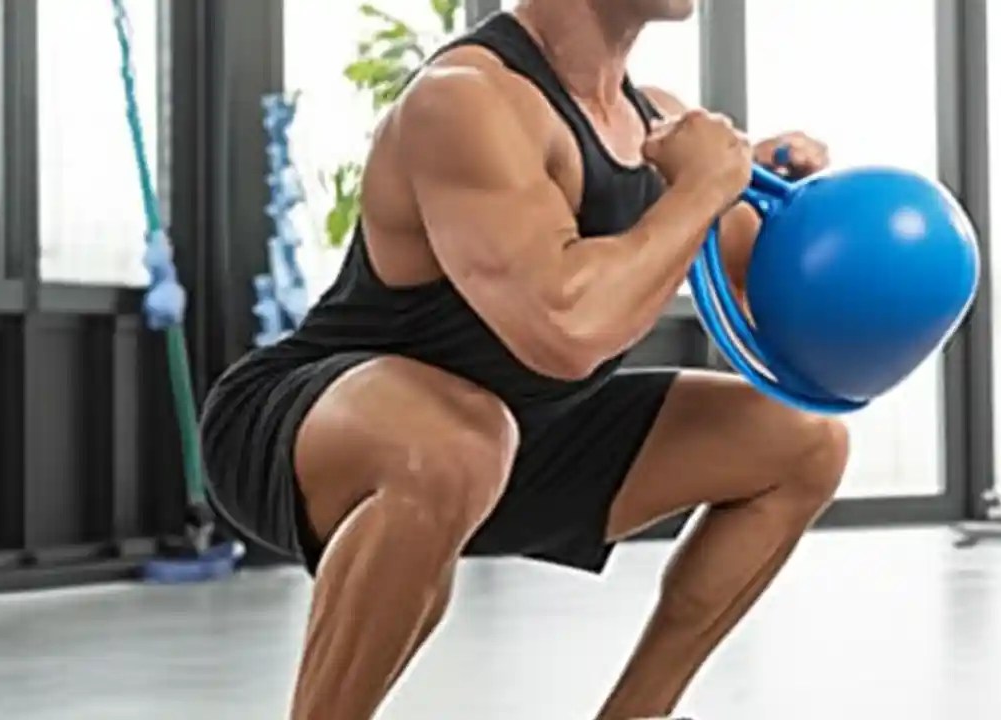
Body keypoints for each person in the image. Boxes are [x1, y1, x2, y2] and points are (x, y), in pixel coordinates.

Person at [200, 0, 849, 717]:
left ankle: (639, 714)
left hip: (519, 435)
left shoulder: (658, 126)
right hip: (305, 427)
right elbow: (565, 330)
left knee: (802, 441)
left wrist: (796, 213)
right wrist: (699, 189)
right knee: (458, 442)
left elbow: (749, 283)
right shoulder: (466, 101)